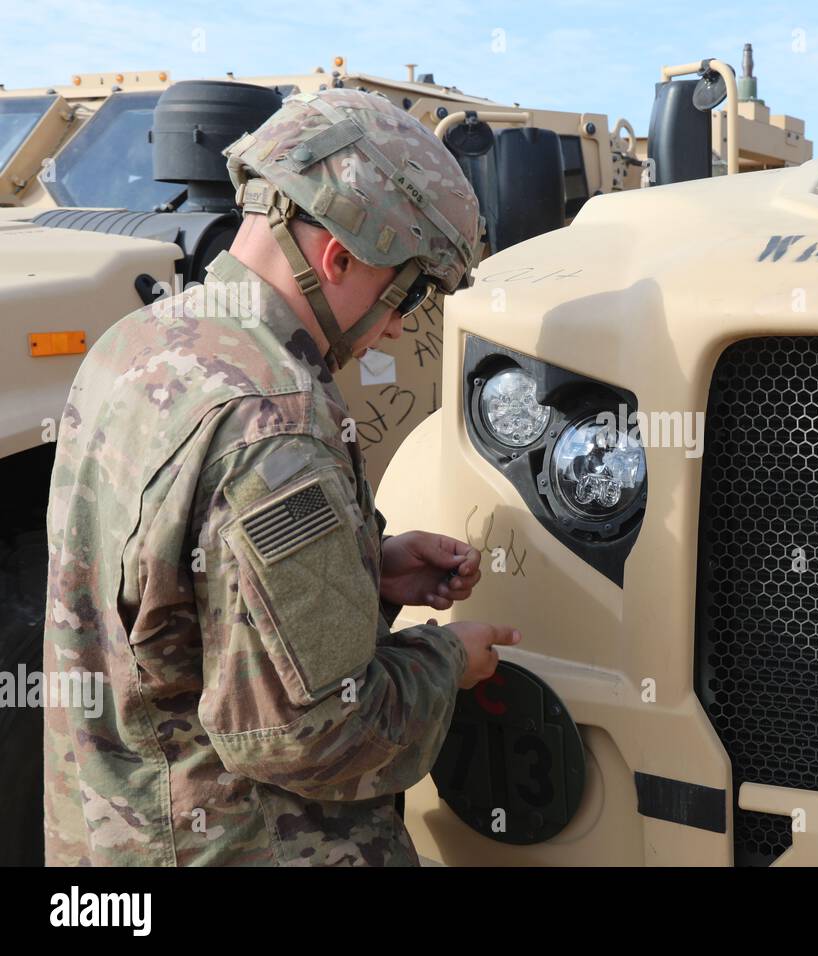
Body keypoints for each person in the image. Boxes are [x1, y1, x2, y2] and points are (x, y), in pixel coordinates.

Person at [43, 87, 520, 866]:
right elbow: (311, 735)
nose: (399, 326)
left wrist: (368, 566)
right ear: (340, 256)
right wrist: (447, 662)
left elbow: (170, 595)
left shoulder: (137, 344)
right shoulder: (274, 419)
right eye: (407, 293)